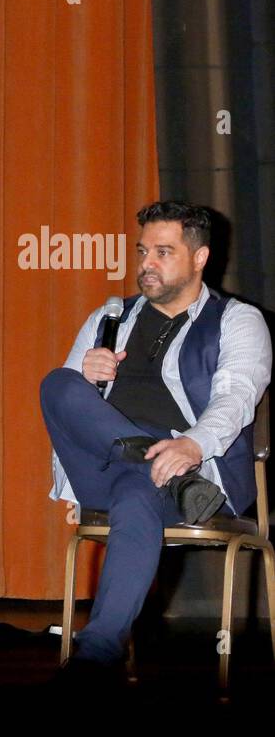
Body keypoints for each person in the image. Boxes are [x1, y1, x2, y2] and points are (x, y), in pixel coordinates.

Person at [40, 201, 271, 685]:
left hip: (184, 467)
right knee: (58, 382)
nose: (146, 263)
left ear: (200, 257)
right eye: (143, 250)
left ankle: (93, 660)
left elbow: (236, 399)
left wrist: (192, 446)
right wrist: (88, 376)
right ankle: (142, 454)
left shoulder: (237, 320)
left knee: (139, 494)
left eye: (163, 252)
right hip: (103, 463)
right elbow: (70, 405)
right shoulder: (110, 317)